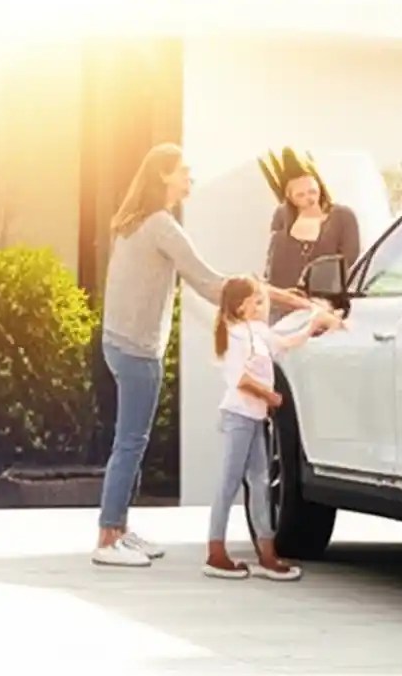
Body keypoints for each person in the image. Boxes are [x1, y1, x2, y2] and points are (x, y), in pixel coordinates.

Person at [93, 143, 315, 568]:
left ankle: (119, 528)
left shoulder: (133, 222)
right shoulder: (160, 224)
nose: (190, 176)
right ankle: (107, 538)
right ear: (163, 176)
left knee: (132, 440)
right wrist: (289, 298)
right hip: (137, 347)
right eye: (184, 170)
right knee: (130, 441)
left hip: (121, 341)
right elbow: (213, 284)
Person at [205, 276, 340, 581]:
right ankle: (215, 552)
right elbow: (240, 378)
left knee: (261, 481)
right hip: (238, 417)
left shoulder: (258, 332)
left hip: (254, 419)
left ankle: (267, 554)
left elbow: (286, 344)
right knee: (229, 483)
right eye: (258, 301)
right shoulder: (236, 335)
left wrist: (314, 324)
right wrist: (271, 396)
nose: (263, 306)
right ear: (242, 306)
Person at [261, 147, 360, 324]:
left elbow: (349, 260)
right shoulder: (282, 217)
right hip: (283, 307)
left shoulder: (342, 217)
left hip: (324, 307)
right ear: (290, 197)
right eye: (301, 194)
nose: (309, 198)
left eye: (312, 191)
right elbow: (272, 263)